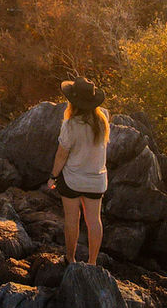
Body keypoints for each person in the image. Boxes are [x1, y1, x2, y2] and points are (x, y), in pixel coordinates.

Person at [48, 77, 110, 265]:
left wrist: (53, 177)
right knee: (94, 222)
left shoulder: (70, 125)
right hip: (96, 181)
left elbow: (61, 156)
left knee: (72, 220)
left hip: (72, 180)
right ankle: (92, 263)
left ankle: (70, 259)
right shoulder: (103, 119)